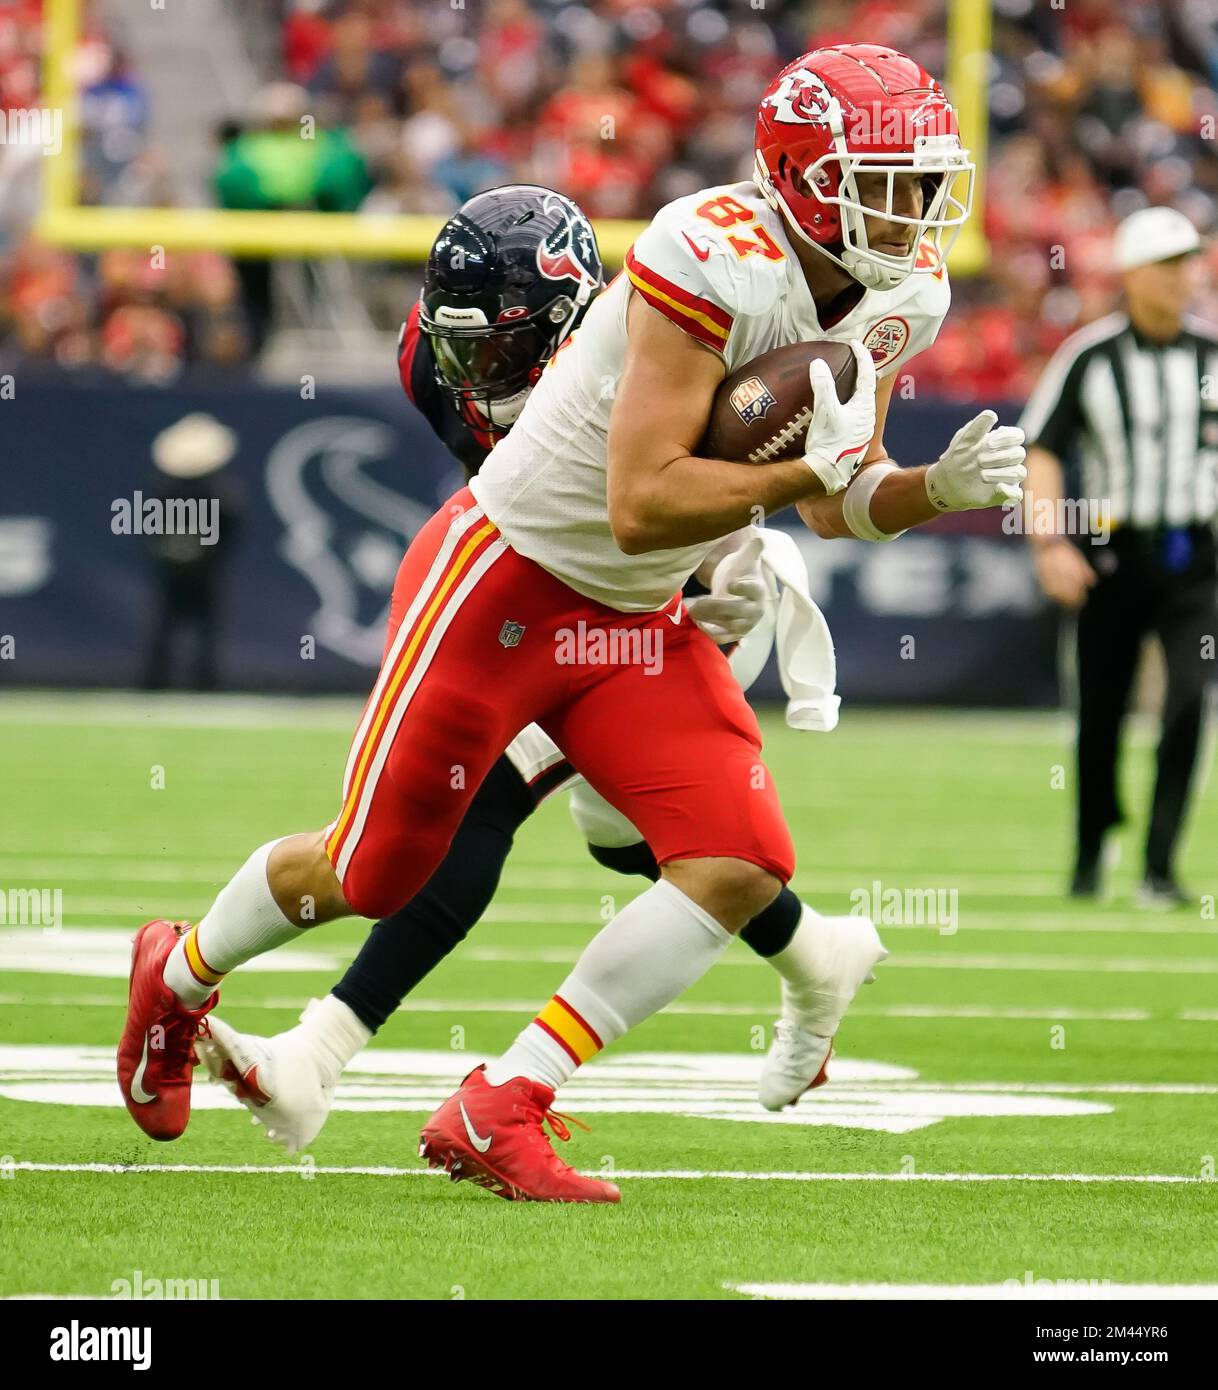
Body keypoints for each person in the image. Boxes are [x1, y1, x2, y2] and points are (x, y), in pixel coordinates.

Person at [119, 45, 1026, 1204]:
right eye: (883, 180)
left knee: (740, 862)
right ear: (802, 175)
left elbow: (843, 502)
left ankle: (505, 1102)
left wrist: (930, 493)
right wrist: (804, 470)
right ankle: (180, 975)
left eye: (920, 181)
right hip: (508, 584)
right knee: (380, 867)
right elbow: (642, 501)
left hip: (638, 616)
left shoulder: (906, 289)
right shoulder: (709, 253)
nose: (911, 211)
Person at [195, 184, 882, 1154]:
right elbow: (528, 497)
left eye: (504, 346)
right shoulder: (430, 362)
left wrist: (719, 563)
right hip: (549, 585)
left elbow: (666, 500)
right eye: (462, 345)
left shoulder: (643, 345)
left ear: (569, 320)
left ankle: (327, 1052)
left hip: (683, 594)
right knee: (502, 806)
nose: (478, 367)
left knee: (536, 808)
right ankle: (818, 953)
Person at [1021, 206, 1218, 907]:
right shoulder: (1091, 354)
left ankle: (1160, 865)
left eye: (1189, 260)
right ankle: (1089, 850)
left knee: (1191, 701)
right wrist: (1050, 539)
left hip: (1197, 554)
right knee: (1100, 710)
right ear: (1133, 275)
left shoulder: (1211, 355)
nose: (1184, 275)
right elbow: (1039, 446)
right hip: (1111, 553)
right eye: (1169, 263)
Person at [142, 413, 243, 691]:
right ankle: (204, 683)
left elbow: (150, 529)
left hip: (172, 567)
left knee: (165, 625)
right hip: (205, 570)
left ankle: (155, 682)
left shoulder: (162, 490)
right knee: (204, 628)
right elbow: (231, 529)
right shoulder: (220, 492)